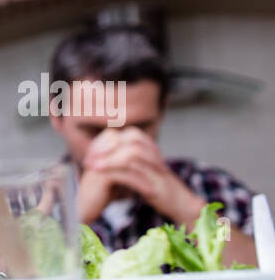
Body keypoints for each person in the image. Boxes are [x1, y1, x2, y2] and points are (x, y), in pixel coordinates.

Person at [48, 25, 257, 265]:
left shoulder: (210, 186)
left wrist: (189, 210)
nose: (116, 145)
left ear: (162, 109)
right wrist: (73, 218)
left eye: (137, 128)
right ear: (56, 115)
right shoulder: (30, 203)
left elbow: (262, 277)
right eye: (94, 131)